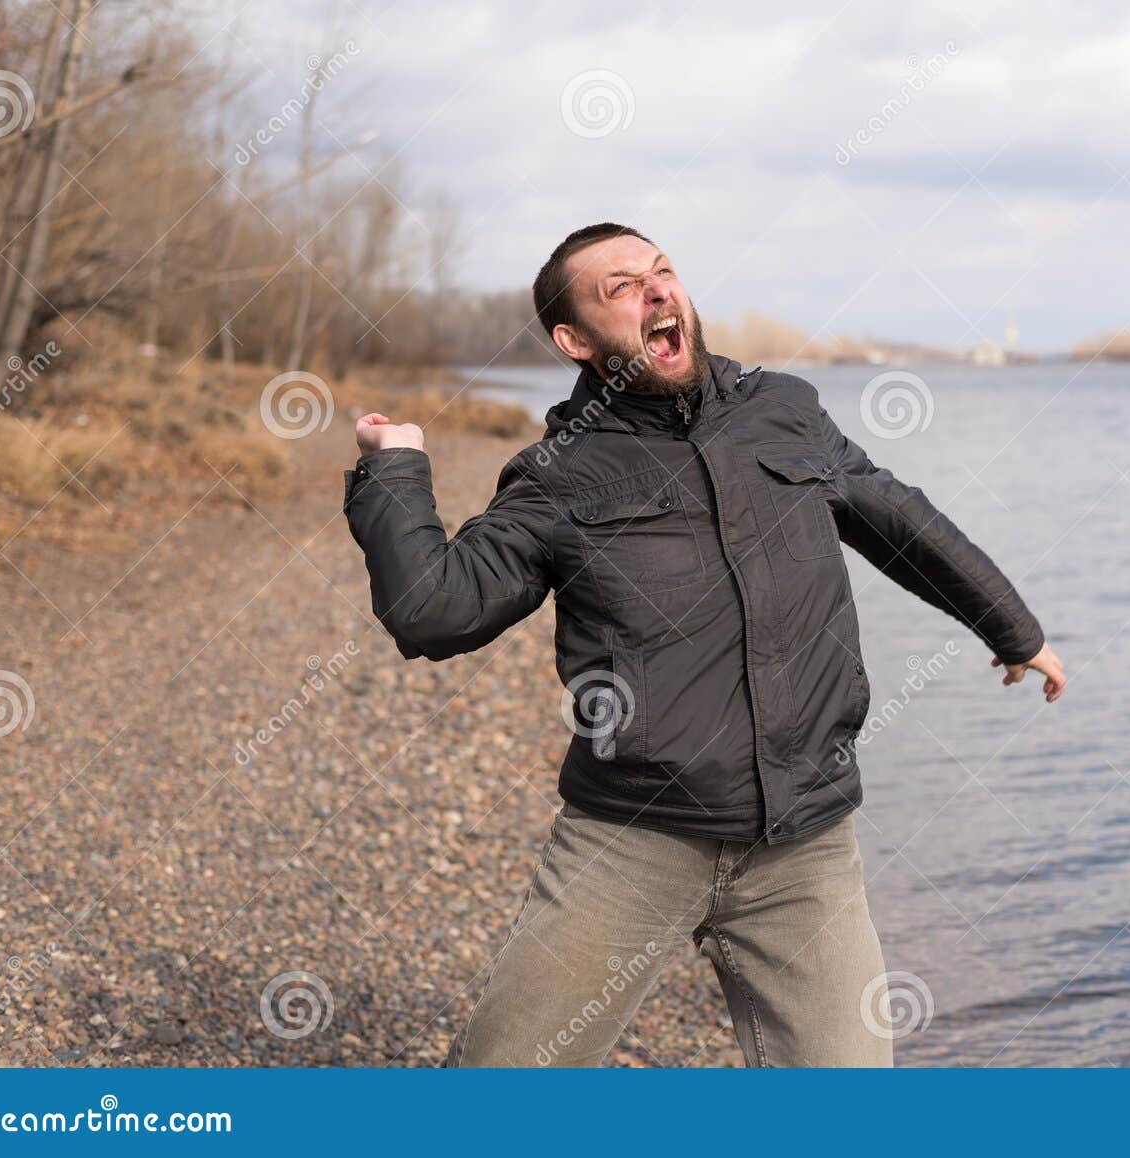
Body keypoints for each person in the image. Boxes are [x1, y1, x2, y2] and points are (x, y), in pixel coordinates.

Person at [342, 222, 1065, 1067]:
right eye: (620, 287)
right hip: (633, 841)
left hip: (806, 847)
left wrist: (1014, 629)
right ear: (574, 341)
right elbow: (434, 610)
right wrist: (394, 470)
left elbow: (898, 518)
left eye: (663, 272)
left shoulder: (784, 410)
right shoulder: (558, 474)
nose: (657, 291)